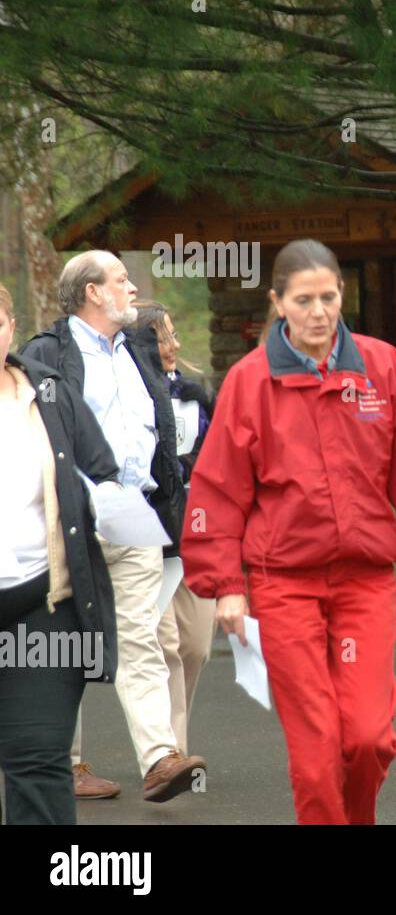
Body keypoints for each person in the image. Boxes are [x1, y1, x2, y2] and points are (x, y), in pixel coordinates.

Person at [181, 238, 396, 825]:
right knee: (314, 758)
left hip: (364, 582)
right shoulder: (250, 381)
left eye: (329, 297)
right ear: (279, 303)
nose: (319, 312)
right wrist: (226, 583)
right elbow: (217, 491)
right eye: (305, 300)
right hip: (284, 585)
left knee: (367, 738)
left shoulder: (380, 365)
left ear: (342, 296)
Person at [21, 251, 207, 802]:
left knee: (141, 636)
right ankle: (69, 764)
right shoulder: (46, 353)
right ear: (93, 292)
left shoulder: (138, 352)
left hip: (135, 514)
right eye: (121, 280)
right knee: (65, 641)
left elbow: (160, 434)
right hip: (71, 517)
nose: (131, 288)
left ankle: (159, 759)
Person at [0, 282, 119, 824]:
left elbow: (101, 469)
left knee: (40, 757)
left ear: (10, 326)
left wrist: (108, 503)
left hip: (42, 605)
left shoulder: (47, 390)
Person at [132, 301, 217, 758]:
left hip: (198, 541)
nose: (174, 346)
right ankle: (168, 754)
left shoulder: (194, 394)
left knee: (197, 646)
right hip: (150, 541)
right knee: (163, 648)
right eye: (162, 337)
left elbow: (218, 458)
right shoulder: (128, 397)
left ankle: (167, 743)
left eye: (173, 335)